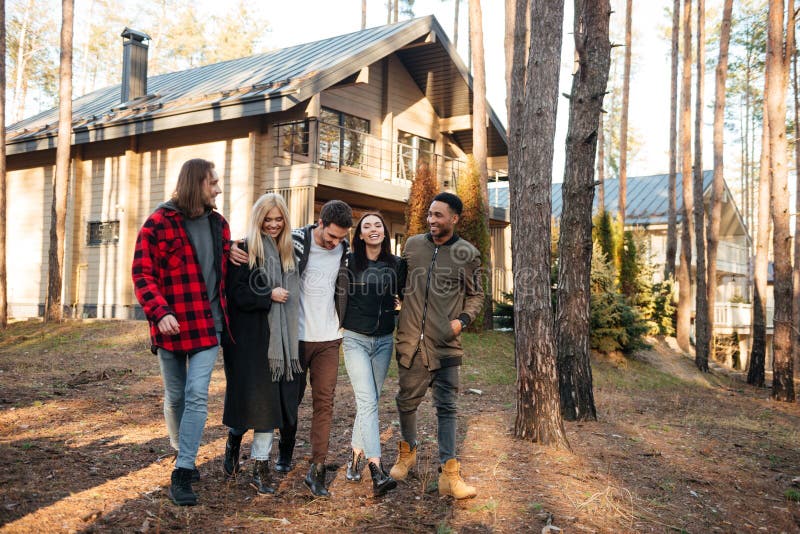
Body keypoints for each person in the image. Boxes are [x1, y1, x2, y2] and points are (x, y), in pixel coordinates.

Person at [132, 158, 230, 506]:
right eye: (213, 182)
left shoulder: (220, 224)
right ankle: (179, 448)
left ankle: (183, 469)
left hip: (208, 324)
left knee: (196, 395)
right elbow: (142, 275)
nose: (218, 188)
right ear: (196, 183)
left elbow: (223, 270)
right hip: (171, 324)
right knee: (175, 396)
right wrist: (160, 313)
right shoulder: (159, 222)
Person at [390, 192, 483, 500]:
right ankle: (408, 453)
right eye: (430, 214)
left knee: (447, 408)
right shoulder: (412, 245)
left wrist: (463, 320)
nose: (431, 220)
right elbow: (399, 282)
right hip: (411, 343)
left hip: (445, 346)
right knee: (406, 402)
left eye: (438, 215)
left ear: (454, 219)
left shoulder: (468, 253)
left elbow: (477, 295)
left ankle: (450, 474)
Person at [220, 193, 303, 496]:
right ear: (258, 220)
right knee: (248, 405)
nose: (273, 225)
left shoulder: (290, 253)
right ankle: (233, 441)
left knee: (268, 409)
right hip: (248, 341)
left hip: (280, 346)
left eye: (278, 219)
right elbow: (236, 295)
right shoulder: (243, 250)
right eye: (267, 219)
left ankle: (260, 468)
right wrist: (268, 295)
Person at [276, 199, 352, 497]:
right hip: (296, 337)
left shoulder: (344, 250)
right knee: (290, 400)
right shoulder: (295, 239)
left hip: (329, 338)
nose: (335, 244)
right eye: (331, 236)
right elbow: (260, 247)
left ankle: (317, 469)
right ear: (320, 223)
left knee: (325, 403)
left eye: (341, 239)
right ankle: (285, 448)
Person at [341, 212, 399, 497]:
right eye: (367, 226)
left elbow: (405, 296)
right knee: (367, 401)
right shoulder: (349, 263)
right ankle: (376, 468)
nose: (373, 229)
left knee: (370, 402)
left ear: (384, 232)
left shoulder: (396, 264)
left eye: (378, 224)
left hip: (384, 341)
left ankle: (354, 456)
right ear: (360, 235)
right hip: (355, 341)